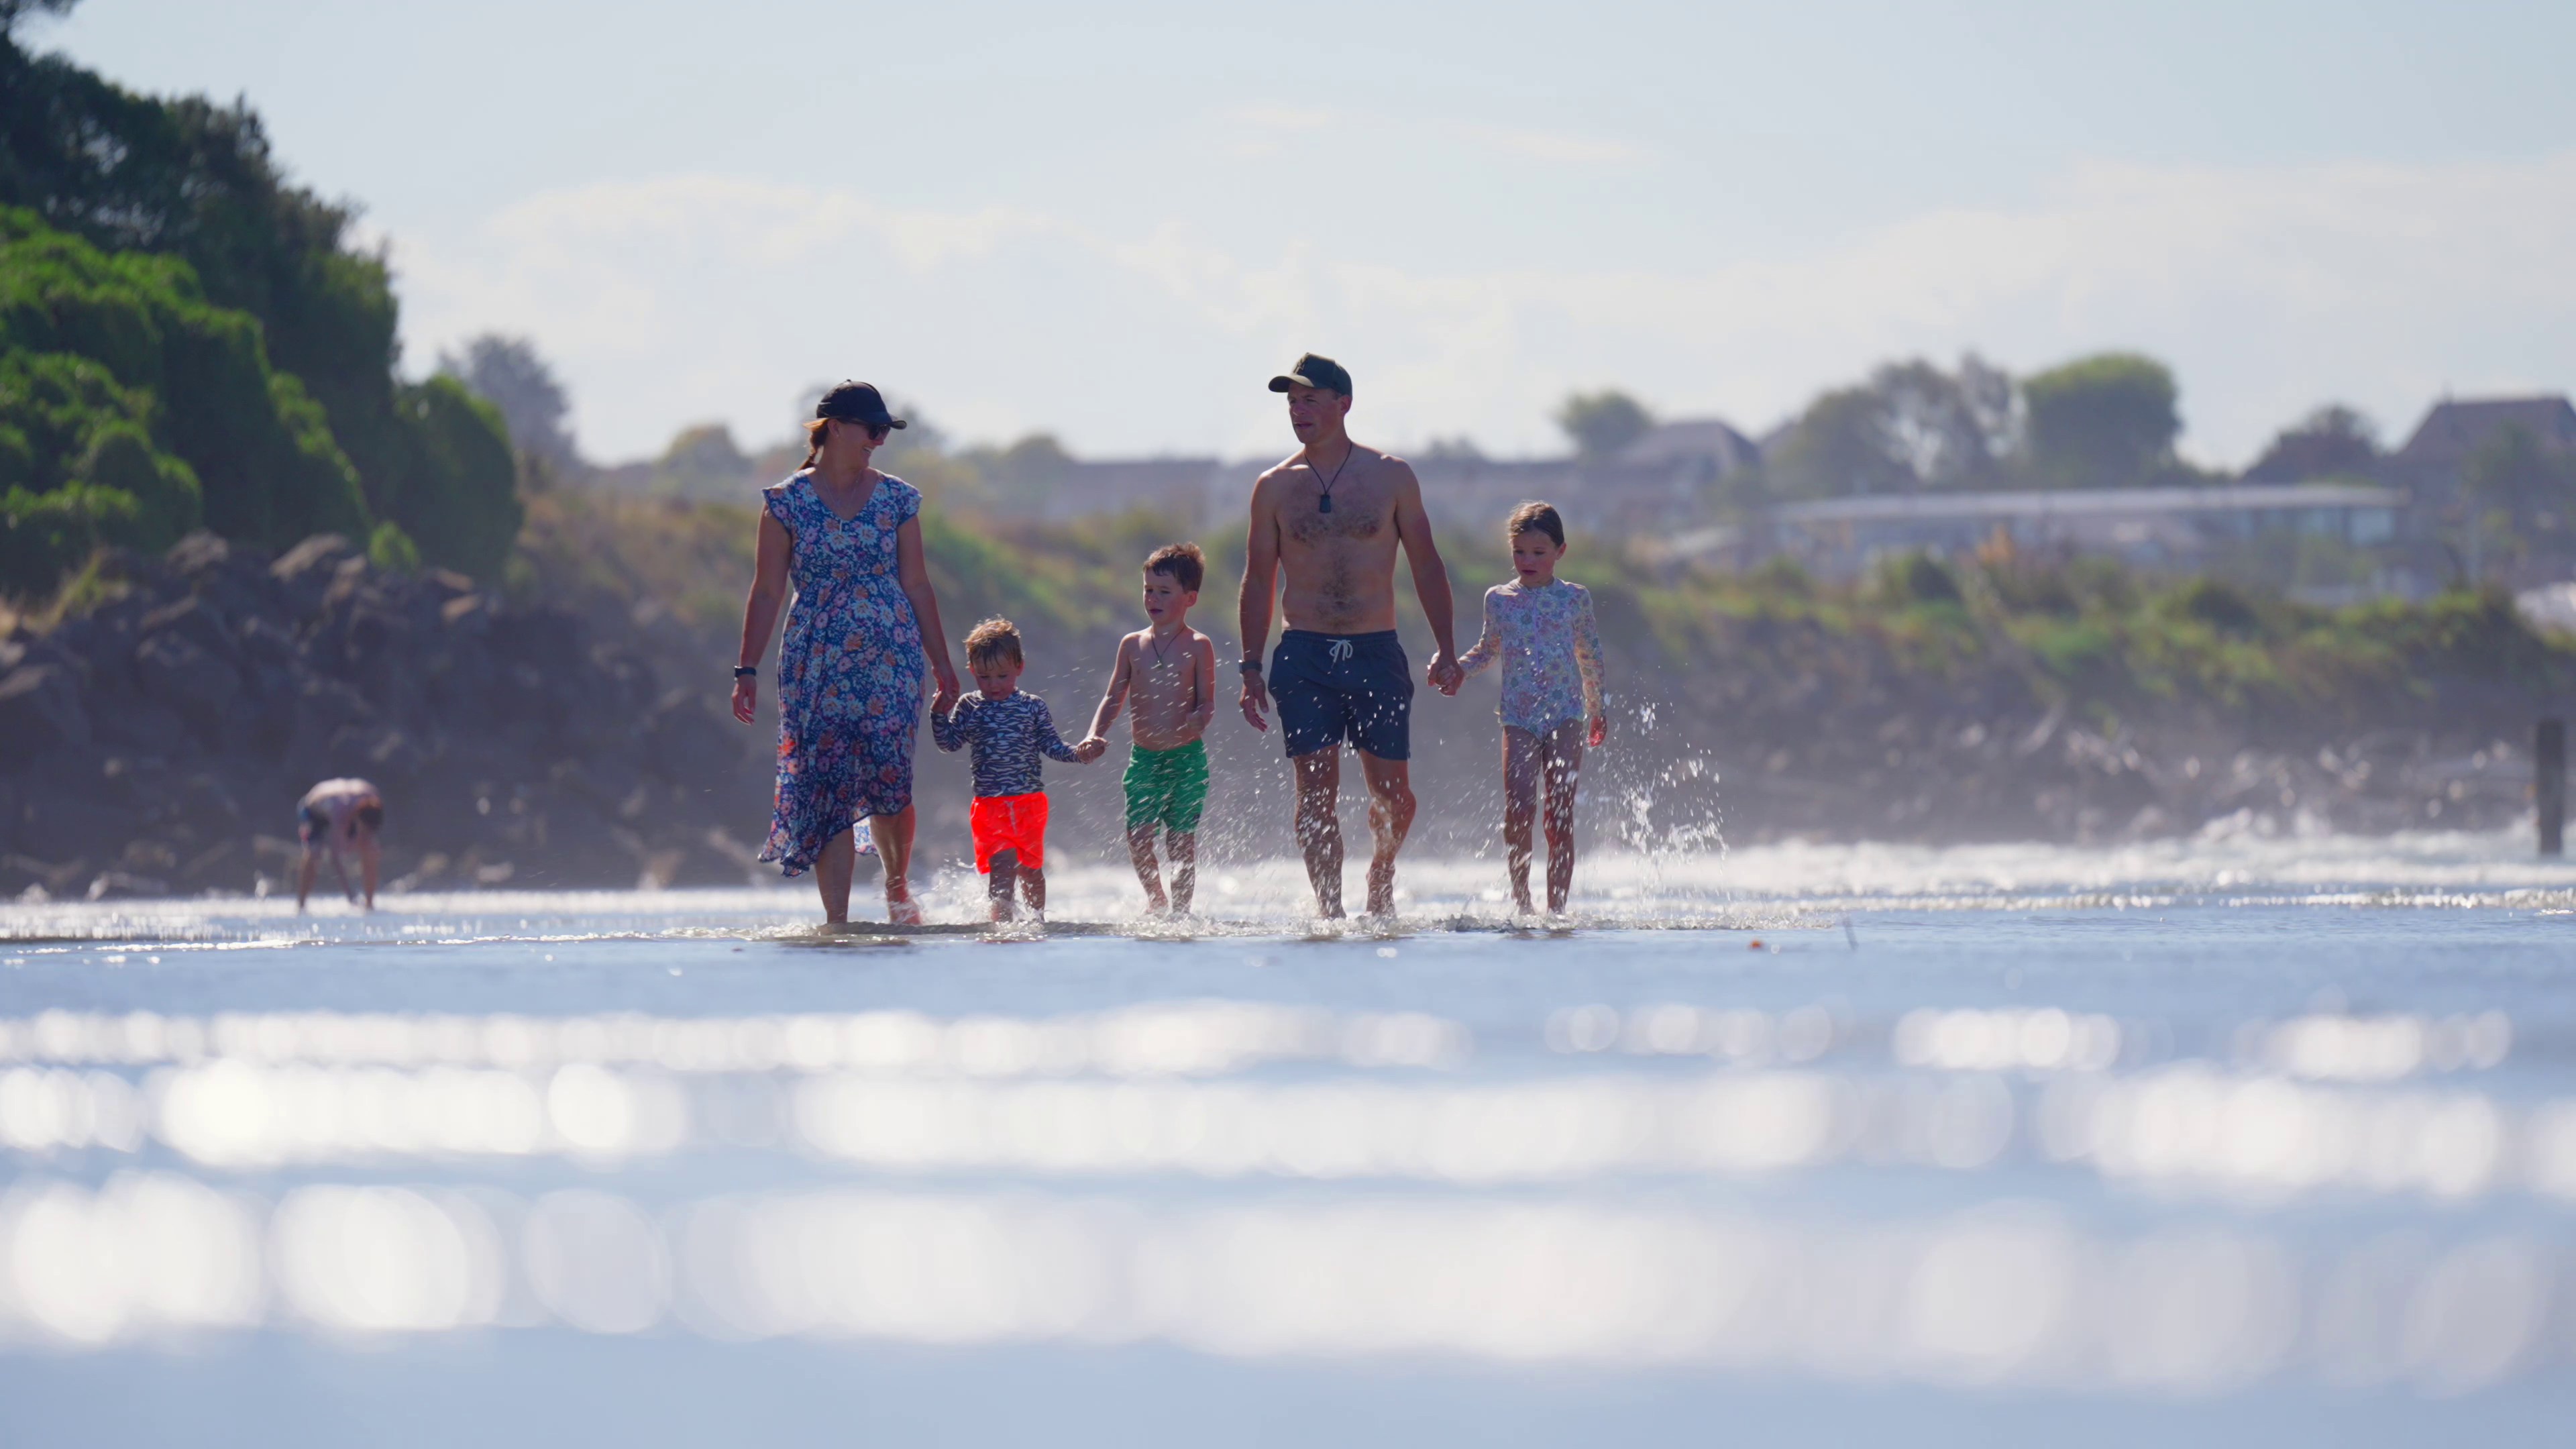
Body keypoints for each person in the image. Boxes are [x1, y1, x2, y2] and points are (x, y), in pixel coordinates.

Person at [1236, 352, 1462, 919]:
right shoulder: (1273, 487)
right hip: (1305, 653)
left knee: (1394, 798)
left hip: (1374, 650)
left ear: (1344, 404)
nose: (1298, 410)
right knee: (1315, 793)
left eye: (1310, 399)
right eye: (1291, 402)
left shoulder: (1391, 476)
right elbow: (1259, 578)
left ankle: (1381, 870)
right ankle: (1331, 912)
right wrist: (1249, 666)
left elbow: (1428, 565)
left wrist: (1448, 649)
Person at [733, 381, 961, 926]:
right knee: (827, 784)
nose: (879, 442)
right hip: (815, 663)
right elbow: (766, 591)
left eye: (885, 432)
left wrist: (943, 665)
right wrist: (746, 669)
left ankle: (897, 885)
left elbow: (919, 585)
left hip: (892, 659)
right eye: (872, 430)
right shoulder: (785, 504)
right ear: (835, 428)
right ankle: (837, 923)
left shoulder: (897, 500)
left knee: (889, 780)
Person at [1455, 501, 1608, 915]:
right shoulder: (1500, 600)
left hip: (1566, 717)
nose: (1527, 561)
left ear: (1560, 552)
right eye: (1519, 552)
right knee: (1519, 808)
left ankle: (1556, 910)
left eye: (1538, 553)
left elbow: (1590, 657)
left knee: (1559, 813)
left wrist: (1597, 708)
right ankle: (1523, 904)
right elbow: (1487, 651)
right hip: (1519, 718)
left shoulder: (1575, 599)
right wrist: (1457, 671)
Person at [1080, 543, 1218, 915]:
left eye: (1164, 591)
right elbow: (1113, 697)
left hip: (1186, 759)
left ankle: (1182, 912)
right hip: (1144, 759)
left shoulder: (1198, 646)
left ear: (1189, 598)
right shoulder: (1132, 645)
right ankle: (1157, 899)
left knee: (1180, 842)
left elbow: (1208, 701)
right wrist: (1096, 733)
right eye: (1148, 590)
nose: (1152, 598)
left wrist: (1199, 719)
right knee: (1138, 838)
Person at [933, 617, 1098, 922]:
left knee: (1031, 870)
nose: (994, 684)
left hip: (1029, 803)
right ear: (972, 671)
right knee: (1002, 868)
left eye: (1002, 675)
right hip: (990, 805)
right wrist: (939, 713)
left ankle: (1037, 921)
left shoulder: (1033, 707)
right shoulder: (970, 706)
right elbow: (949, 743)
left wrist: (1079, 754)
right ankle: (1001, 925)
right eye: (984, 677)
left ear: (1020, 667)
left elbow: (1052, 746)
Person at [296, 777, 383, 912]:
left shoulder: (373, 798)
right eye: (363, 831)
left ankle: (370, 903)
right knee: (315, 852)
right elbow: (335, 858)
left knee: (370, 849)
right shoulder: (340, 812)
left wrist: (363, 841)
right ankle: (301, 904)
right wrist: (351, 896)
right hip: (315, 810)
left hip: (347, 806)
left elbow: (368, 838)